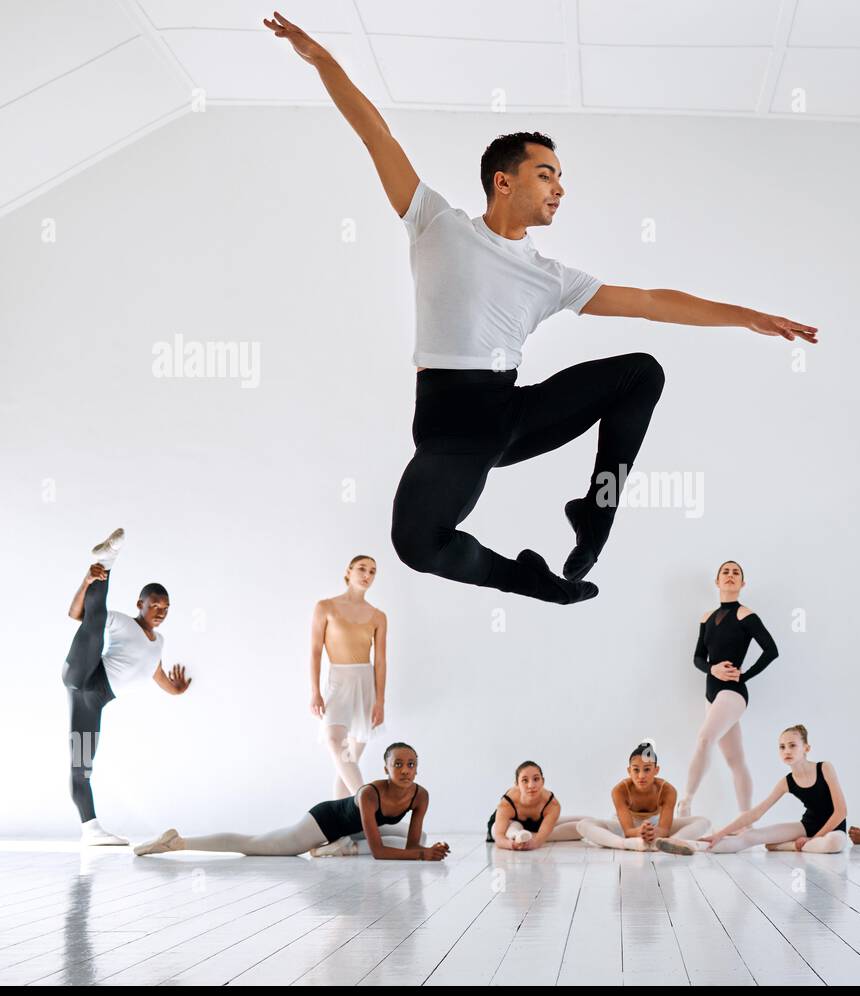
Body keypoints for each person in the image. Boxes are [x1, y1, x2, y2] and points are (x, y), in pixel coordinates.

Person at [262, 13, 819, 604]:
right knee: (417, 545)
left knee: (641, 373)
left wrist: (748, 316)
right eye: (546, 173)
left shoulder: (551, 278)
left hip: (511, 413)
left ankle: (597, 510)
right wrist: (322, 59)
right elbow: (376, 134)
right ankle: (531, 579)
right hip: (451, 427)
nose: (560, 188)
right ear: (503, 182)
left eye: (561, 177)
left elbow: (653, 303)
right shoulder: (435, 223)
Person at [62, 529, 190, 845]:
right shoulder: (122, 622)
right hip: (84, 673)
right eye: (155, 606)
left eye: (166, 608)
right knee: (94, 623)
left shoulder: (158, 642)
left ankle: (91, 830)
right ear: (140, 604)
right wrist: (87, 583)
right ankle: (106, 561)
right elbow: (77, 615)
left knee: (82, 767)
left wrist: (176, 689)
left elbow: (155, 673)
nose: (160, 612)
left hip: (92, 701)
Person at [134, 742, 449, 860]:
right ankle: (179, 843)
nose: (405, 770)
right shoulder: (370, 793)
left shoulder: (420, 795)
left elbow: (412, 845)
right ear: (386, 768)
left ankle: (342, 847)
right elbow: (379, 852)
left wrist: (425, 850)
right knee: (254, 845)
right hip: (323, 822)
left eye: (411, 764)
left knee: (420, 836)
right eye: (398, 764)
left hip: (350, 830)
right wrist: (423, 856)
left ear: (417, 768)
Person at [677, 561, 778, 818]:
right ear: (717, 581)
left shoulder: (746, 615)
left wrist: (744, 675)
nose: (730, 575)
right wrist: (713, 669)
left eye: (736, 573)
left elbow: (771, 650)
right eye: (725, 572)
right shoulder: (707, 618)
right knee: (735, 760)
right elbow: (698, 658)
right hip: (711, 693)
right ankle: (746, 819)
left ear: (742, 583)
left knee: (704, 739)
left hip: (733, 693)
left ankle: (685, 802)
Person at [697, 725, 849, 854]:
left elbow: (841, 811)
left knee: (833, 843)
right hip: (806, 826)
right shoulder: (786, 782)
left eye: (792, 745)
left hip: (834, 828)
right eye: (782, 747)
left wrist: (813, 839)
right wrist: (720, 834)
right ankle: (699, 846)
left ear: (806, 748)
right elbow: (756, 813)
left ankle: (789, 846)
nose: (786, 751)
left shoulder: (825, 768)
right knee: (750, 835)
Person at [310, 555, 387, 797]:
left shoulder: (378, 616)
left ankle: (343, 820)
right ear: (349, 571)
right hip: (337, 681)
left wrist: (380, 701)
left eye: (372, 571)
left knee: (348, 759)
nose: (367, 575)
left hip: (365, 683)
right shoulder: (325, 607)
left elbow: (381, 661)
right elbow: (315, 651)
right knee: (335, 741)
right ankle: (367, 805)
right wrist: (315, 692)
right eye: (362, 568)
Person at [576, 740, 711, 854]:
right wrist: (637, 832)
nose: (641, 776)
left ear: (656, 770)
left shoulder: (668, 790)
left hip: (655, 826)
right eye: (636, 770)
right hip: (623, 827)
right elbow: (628, 830)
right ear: (629, 771)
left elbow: (664, 829)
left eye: (647, 769)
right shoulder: (619, 790)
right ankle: (626, 844)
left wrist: (656, 832)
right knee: (583, 824)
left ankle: (671, 842)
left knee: (703, 821)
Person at [487, 761, 585, 850]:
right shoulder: (507, 804)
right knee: (515, 825)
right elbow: (499, 838)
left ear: (543, 781)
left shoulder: (552, 805)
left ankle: (525, 835)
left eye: (536, 779)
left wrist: (535, 842)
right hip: (506, 828)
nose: (531, 785)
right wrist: (512, 845)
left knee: (585, 820)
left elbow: (538, 840)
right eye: (525, 780)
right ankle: (518, 836)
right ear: (517, 784)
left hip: (534, 828)